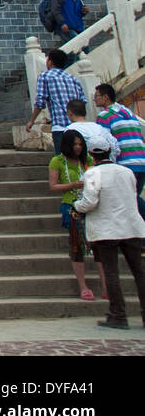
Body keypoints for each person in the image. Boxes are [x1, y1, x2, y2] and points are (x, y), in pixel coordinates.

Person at [73, 134, 145, 329]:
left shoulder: (92, 174)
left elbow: (90, 202)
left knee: (111, 272)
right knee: (139, 272)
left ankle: (118, 315)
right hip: (131, 226)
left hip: (107, 229)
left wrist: (76, 206)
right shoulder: (126, 171)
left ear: (91, 154)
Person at [48, 130, 106, 302]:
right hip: (71, 206)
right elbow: (53, 186)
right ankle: (83, 286)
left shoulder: (87, 161)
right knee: (77, 247)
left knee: (99, 246)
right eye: (74, 144)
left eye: (80, 144)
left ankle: (106, 285)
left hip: (91, 205)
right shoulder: (57, 161)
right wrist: (73, 184)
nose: (78, 148)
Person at [94, 83, 145, 219]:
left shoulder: (104, 116)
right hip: (141, 161)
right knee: (133, 198)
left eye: (96, 96)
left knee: (130, 198)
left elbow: (104, 142)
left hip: (126, 163)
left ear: (105, 97)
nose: (94, 100)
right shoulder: (128, 113)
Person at [25, 48, 86, 152]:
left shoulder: (45, 77)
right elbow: (83, 102)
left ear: (50, 62)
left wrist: (32, 121)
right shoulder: (73, 78)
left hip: (60, 127)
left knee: (63, 161)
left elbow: (40, 102)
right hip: (77, 127)